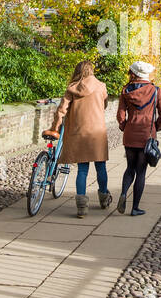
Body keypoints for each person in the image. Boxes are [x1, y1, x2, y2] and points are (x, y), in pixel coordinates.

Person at [41, 60, 110, 218]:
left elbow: (61, 111)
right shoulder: (101, 86)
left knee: (82, 170)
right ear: (91, 71)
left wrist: (55, 128)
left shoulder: (72, 88)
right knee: (101, 167)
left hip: (79, 134)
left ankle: (81, 208)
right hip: (97, 133)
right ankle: (104, 199)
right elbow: (104, 105)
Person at [116, 60, 161, 216]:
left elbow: (120, 115)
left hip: (130, 133)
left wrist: (124, 126)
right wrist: (156, 127)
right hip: (147, 135)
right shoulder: (155, 90)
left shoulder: (126, 90)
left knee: (129, 168)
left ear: (134, 74)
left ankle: (124, 193)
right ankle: (135, 208)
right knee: (141, 171)